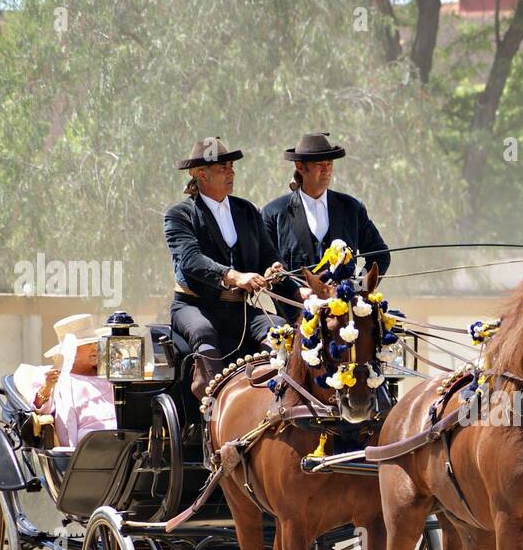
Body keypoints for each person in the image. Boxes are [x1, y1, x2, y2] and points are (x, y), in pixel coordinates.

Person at [164, 137, 294, 399]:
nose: (231, 172)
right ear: (201, 174)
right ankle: (211, 407)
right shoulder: (179, 214)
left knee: (280, 331)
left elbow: (268, 253)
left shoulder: (247, 210)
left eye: (232, 167)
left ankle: (277, 400)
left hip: (238, 309)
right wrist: (234, 276)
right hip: (194, 306)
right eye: (223, 168)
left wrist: (273, 268)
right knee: (203, 332)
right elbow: (191, 260)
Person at [262, 133, 391, 282]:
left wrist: (357, 289)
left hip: (345, 304)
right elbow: (266, 265)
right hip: (296, 304)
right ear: (300, 167)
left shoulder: (352, 209)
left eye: (329, 163)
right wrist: (297, 294)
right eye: (319, 165)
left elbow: (380, 255)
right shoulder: (274, 213)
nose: (326, 170)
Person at [21, 314, 117, 448]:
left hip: (123, 434)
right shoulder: (56, 377)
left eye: (95, 343)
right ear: (72, 350)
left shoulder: (111, 373)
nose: (94, 348)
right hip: (89, 442)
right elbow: (39, 408)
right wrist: (48, 386)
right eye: (87, 344)